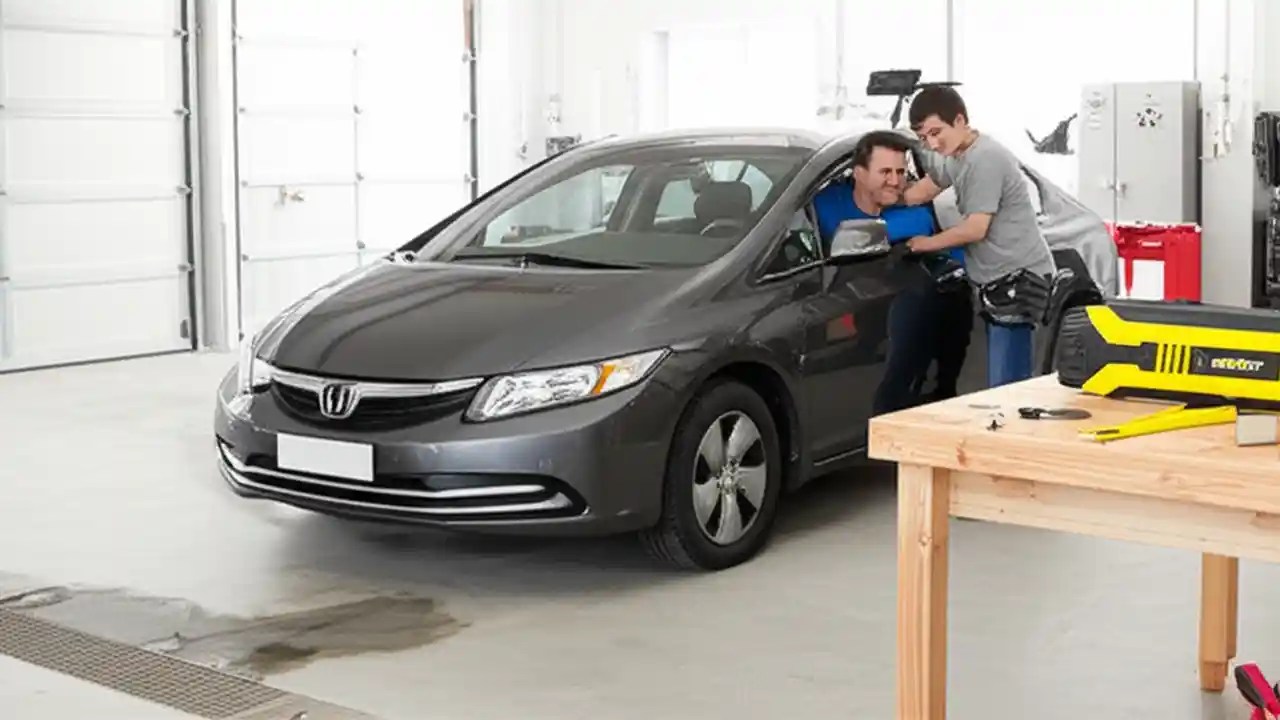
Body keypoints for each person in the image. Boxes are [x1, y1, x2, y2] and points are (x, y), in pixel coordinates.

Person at [901, 86, 1057, 388]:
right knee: (1002, 382)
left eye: (936, 132)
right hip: (994, 282)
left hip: (1017, 282)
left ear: (960, 120)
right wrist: (880, 195)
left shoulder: (984, 159)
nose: (932, 143)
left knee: (1007, 386)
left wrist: (924, 244)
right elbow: (926, 189)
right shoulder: (955, 154)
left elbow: (975, 228)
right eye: (924, 137)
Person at [812, 130, 966, 413]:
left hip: (907, 309)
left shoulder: (914, 215)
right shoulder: (823, 202)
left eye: (900, 172)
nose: (895, 181)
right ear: (858, 173)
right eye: (885, 172)